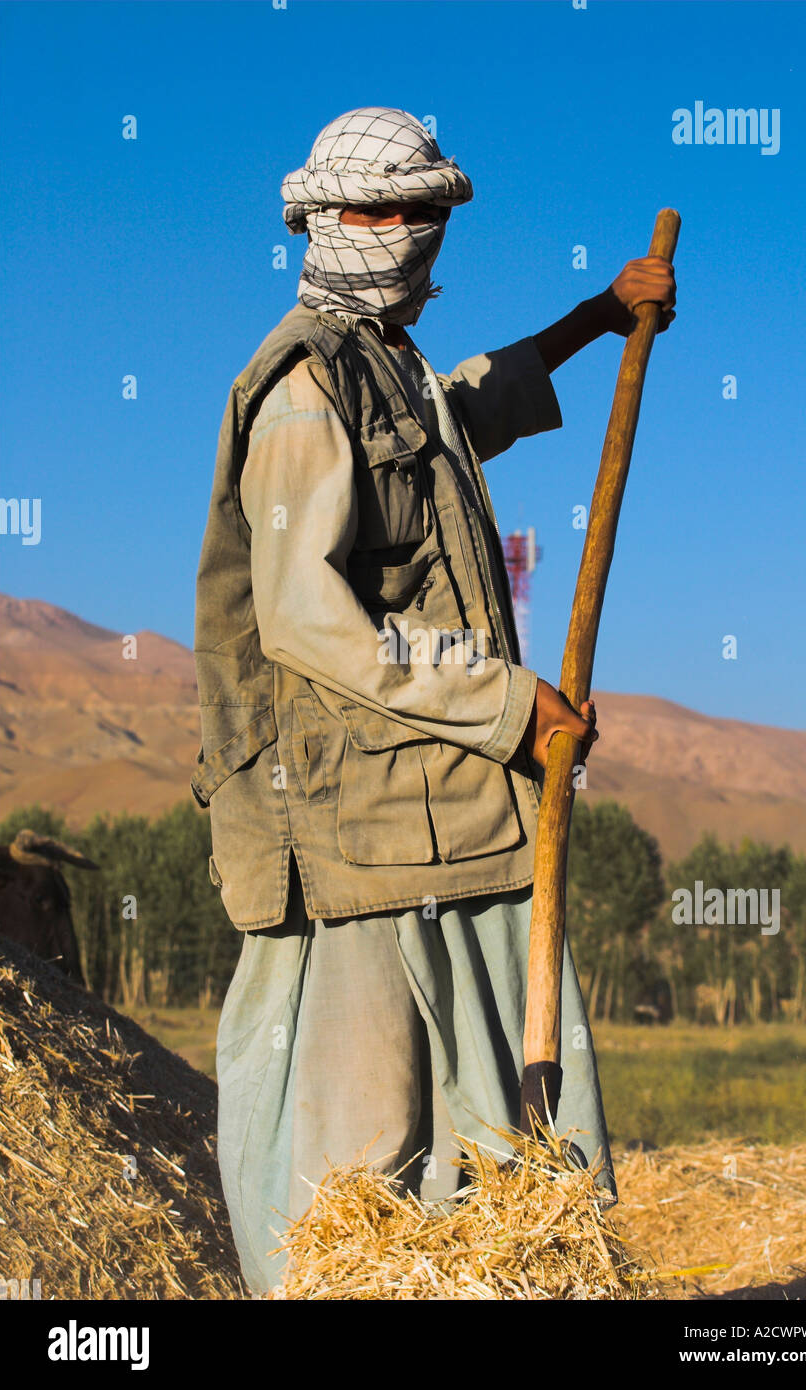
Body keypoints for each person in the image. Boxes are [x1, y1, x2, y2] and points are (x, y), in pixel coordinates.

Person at [191, 106, 676, 1295]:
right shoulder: (304, 388)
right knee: (364, 1168)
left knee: (505, 1147)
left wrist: (593, 321)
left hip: (444, 820)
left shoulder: (388, 366)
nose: (402, 233)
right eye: (377, 211)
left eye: (423, 211)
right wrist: (509, 705)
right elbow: (309, 622)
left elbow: (461, 417)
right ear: (317, 219)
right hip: (353, 838)